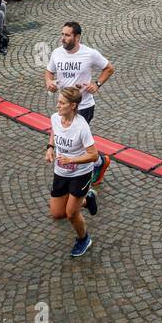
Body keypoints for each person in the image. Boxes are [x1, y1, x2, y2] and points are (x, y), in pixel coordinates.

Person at [45, 21, 114, 200]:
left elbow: (109, 68)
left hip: (83, 106)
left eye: (68, 35)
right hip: (64, 105)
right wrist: (49, 83)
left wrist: (97, 84)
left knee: (79, 142)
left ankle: (85, 171)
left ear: (77, 37)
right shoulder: (56, 53)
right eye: (63, 34)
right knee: (66, 137)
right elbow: (49, 72)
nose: (63, 38)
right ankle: (99, 161)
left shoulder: (89, 54)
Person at [45, 85, 97, 258]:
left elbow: (94, 155)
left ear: (73, 106)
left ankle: (84, 239)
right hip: (61, 172)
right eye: (58, 102)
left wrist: (73, 159)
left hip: (80, 173)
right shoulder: (55, 117)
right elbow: (54, 130)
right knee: (57, 213)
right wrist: (50, 147)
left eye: (61, 103)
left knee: (70, 214)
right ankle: (86, 199)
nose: (57, 106)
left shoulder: (81, 128)